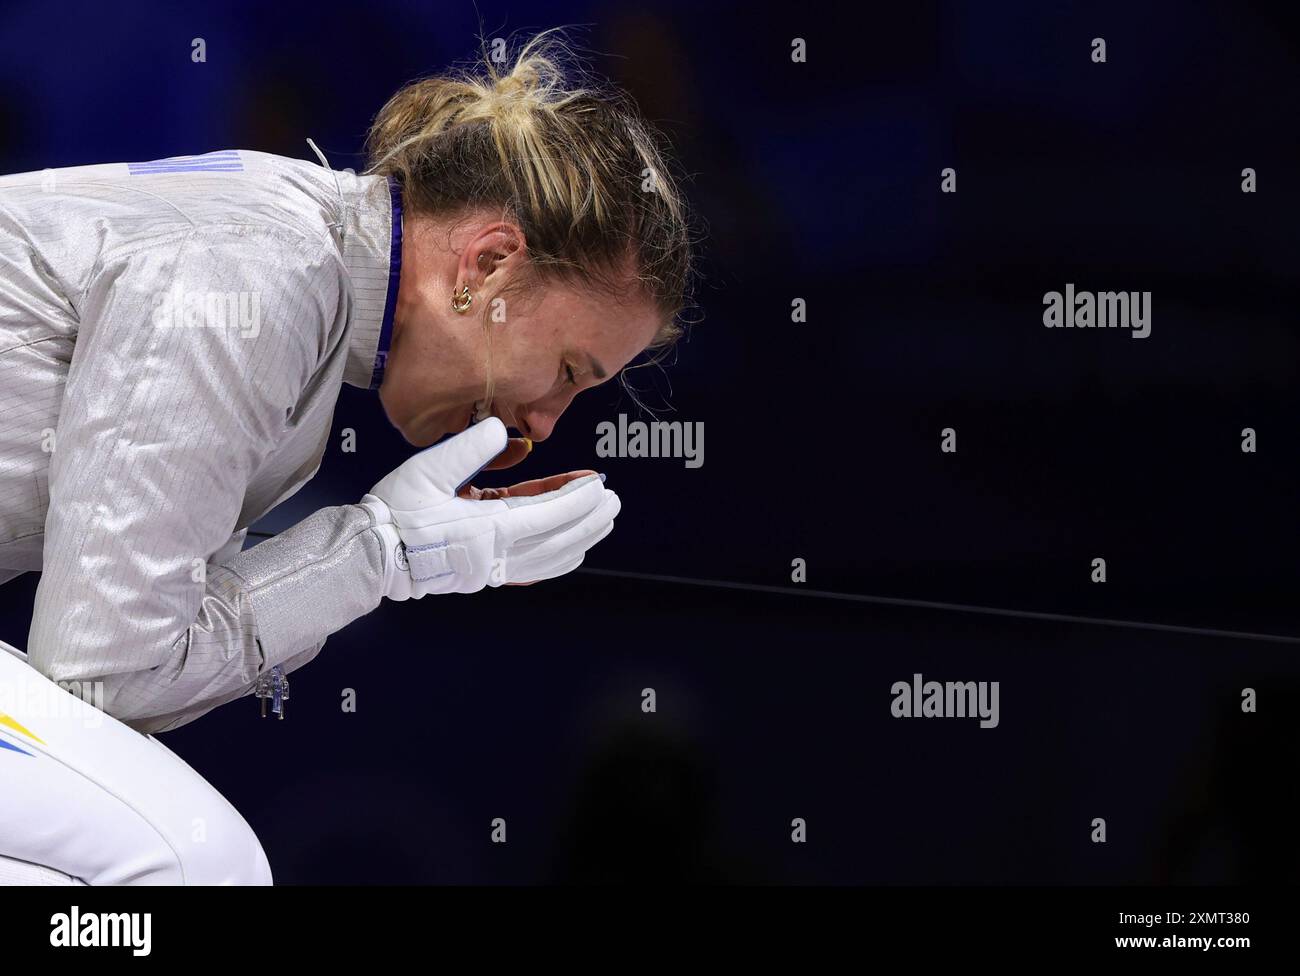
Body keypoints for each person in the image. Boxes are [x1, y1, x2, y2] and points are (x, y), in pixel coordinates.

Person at [0, 29, 694, 884]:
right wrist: (385, 554)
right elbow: (107, 678)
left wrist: (390, 553)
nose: (546, 423)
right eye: (565, 372)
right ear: (488, 267)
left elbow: (121, 673)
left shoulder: (299, 277)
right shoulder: (262, 274)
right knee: (193, 862)